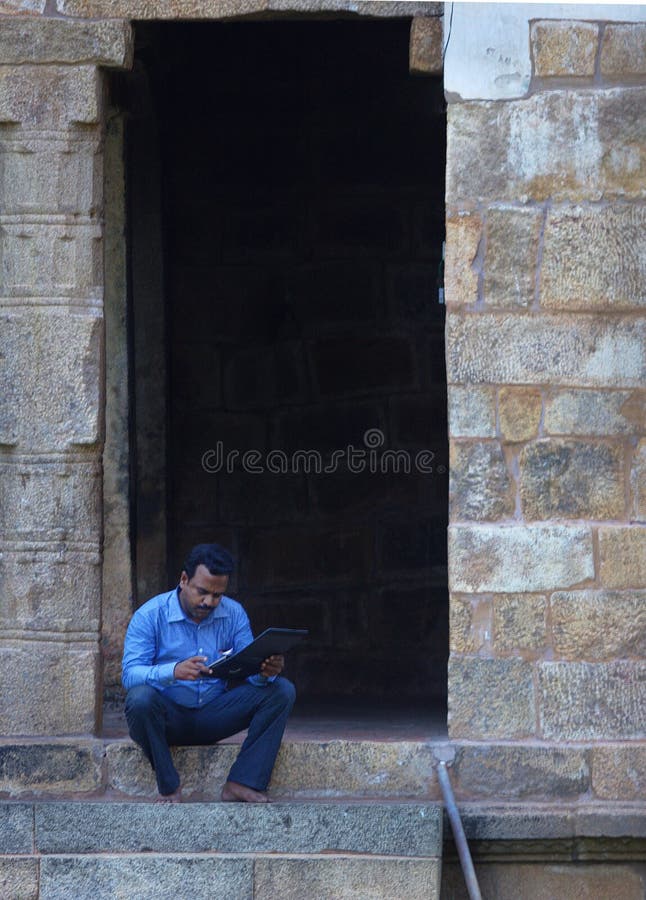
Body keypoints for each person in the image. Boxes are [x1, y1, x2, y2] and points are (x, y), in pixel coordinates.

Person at [122, 542, 295, 803]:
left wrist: (264, 672)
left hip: (215, 715)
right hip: (167, 720)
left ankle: (242, 782)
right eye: (202, 592)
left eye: (217, 595)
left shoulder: (233, 613)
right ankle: (169, 787)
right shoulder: (149, 615)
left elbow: (251, 671)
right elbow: (129, 676)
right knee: (139, 699)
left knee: (281, 690)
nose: (208, 602)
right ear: (184, 580)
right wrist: (173, 671)